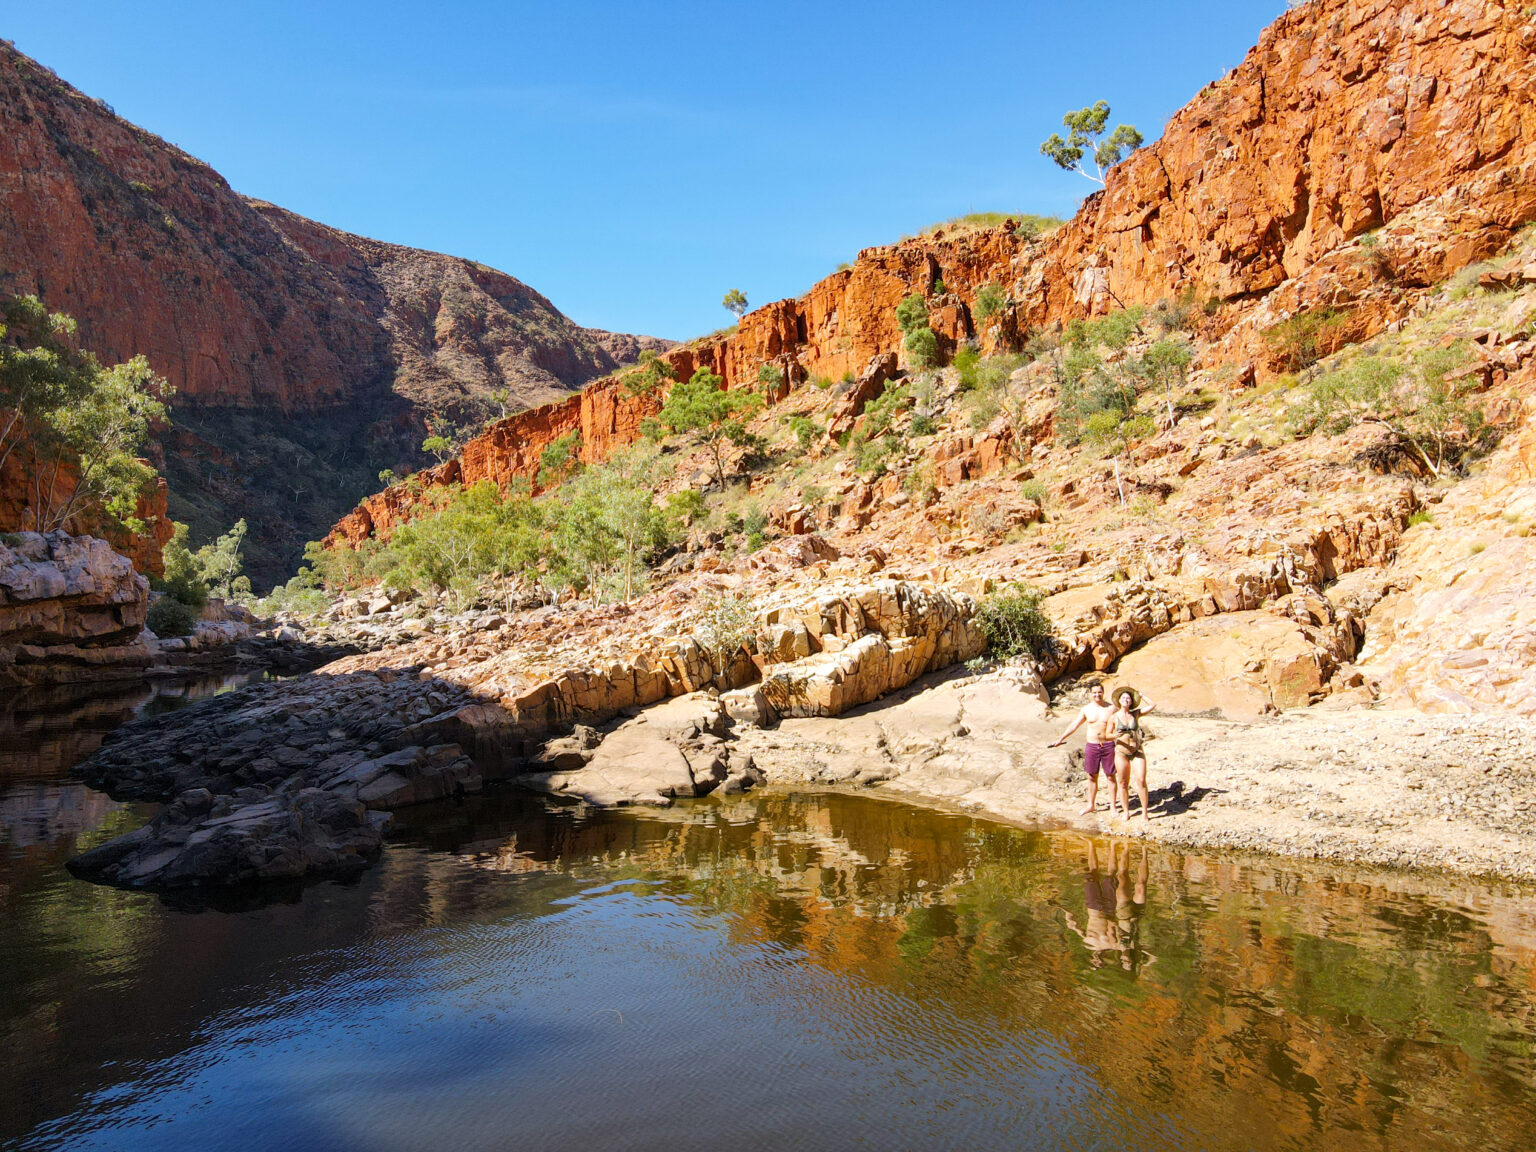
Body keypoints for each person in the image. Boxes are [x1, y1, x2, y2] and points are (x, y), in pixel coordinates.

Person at [1048, 682, 1124, 816]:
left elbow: (1127, 716)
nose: (1097, 695)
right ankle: (1091, 805)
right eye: (1094, 692)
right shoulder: (1086, 709)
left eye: (1099, 692)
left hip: (1108, 745)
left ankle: (1113, 806)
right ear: (1090, 693)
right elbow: (1074, 725)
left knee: (1111, 776)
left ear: (1103, 692)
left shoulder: (1112, 708)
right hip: (1092, 745)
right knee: (1091, 777)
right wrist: (1060, 739)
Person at [1110, 686, 1155, 825]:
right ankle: (1126, 811)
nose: (1126, 700)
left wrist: (1141, 695)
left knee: (1141, 780)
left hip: (1137, 751)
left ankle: (1145, 812)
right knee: (1123, 783)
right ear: (1119, 700)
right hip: (1121, 752)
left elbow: (1153, 705)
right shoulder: (1113, 717)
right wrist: (1114, 735)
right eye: (1123, 698)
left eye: (1128, 698)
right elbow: (1107, 734)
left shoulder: (1135, 714)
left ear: (1131, 701)